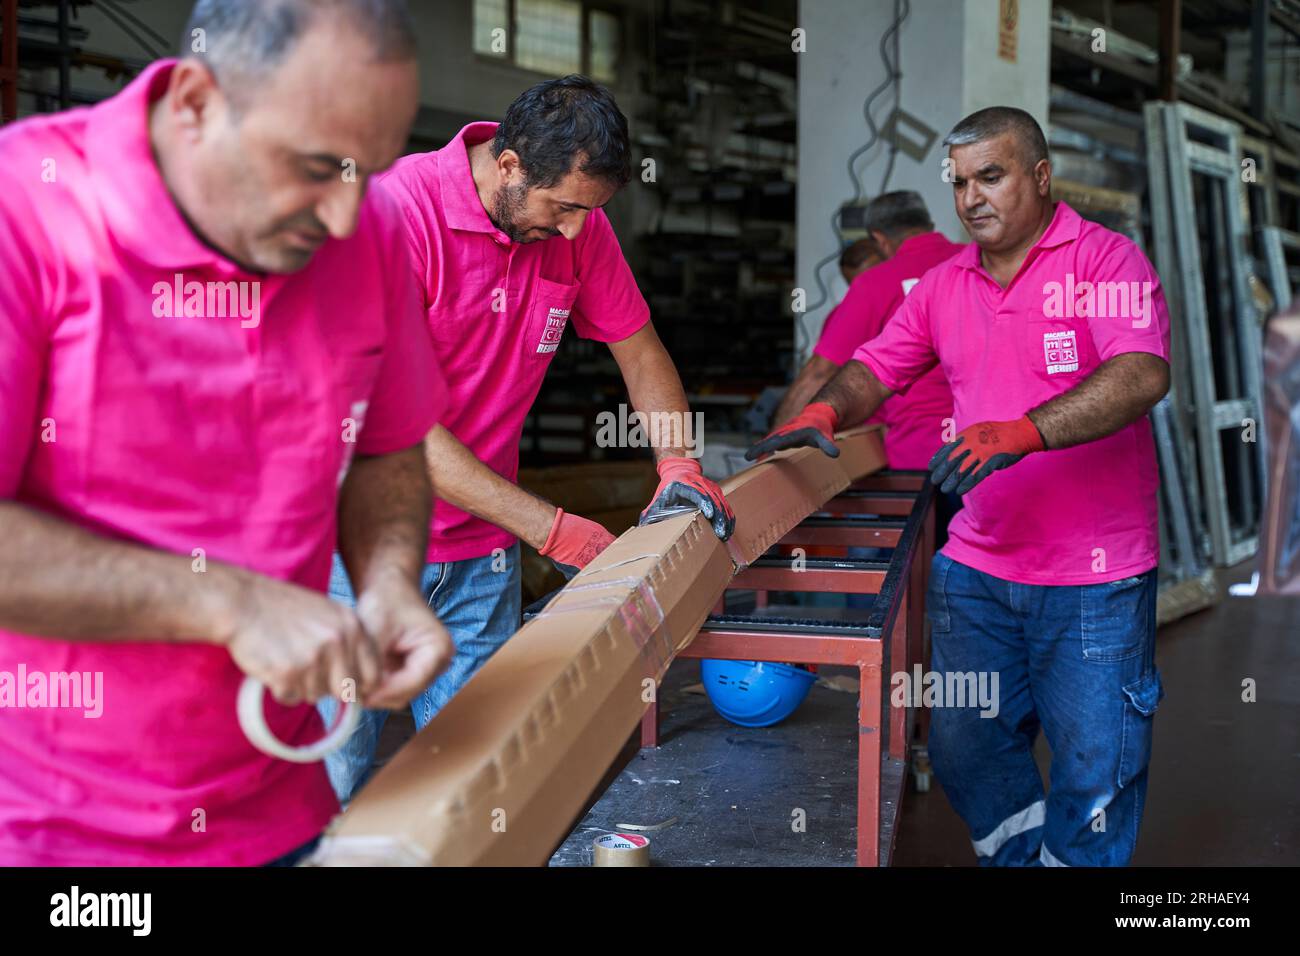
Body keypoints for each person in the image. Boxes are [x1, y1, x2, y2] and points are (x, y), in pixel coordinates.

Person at [0, 0, 451, 865]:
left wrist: (390, 584)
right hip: (49, 835)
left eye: (371, 169)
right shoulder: (30, 214)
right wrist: (227, 602)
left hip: (278, 808)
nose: (347, 218)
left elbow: (388, 449)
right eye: (317, 167)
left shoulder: (373, 234)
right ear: (198, 102)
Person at [749, 106, 1171, 867]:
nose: (972, 196)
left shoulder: (1106, 262)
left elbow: (1141, 372)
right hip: (976, 567)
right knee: (965, 745)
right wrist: (821, 409)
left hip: (1093, 575)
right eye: (959, 182)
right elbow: (877, 366)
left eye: (992, 176)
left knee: (1095, 765)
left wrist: (1024, 431)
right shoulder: (944, 285)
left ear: (1040, 178)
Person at [318, 75, 735, 802]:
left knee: (476, 790)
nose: (576, 230)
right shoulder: (390, 217)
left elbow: (638, 349)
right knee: (329, 776)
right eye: (566, 207)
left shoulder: (576, 227)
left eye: (590, 211)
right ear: (508, 166)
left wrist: (678, 463)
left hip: (480, 558)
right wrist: (552, 530)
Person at [773, 191, 962, 476]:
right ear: (929, 223)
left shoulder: (876, 283)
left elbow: (819, 372)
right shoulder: (978, 263)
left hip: (919, 457)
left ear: (880, 239)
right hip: (993, 452)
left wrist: (774, 446)